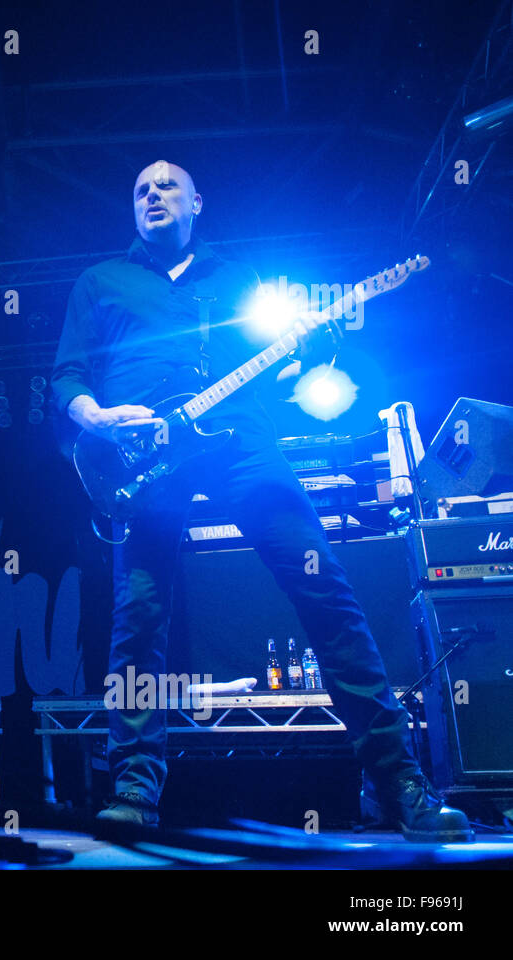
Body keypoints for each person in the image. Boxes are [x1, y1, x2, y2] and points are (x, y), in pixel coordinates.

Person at [50, 161, 471, 841]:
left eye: (166, 186)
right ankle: (132, 786)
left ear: (197, 202)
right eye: (139, 190)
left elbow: (275, 372)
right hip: (143, 456)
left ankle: (398, 783)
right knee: (141, 614)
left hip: (238, 437)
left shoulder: (237, 280)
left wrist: (304, 350)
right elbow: (66, 374)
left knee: (323, 585)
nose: (152, 195)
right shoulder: (100, 282)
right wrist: (96, 417)